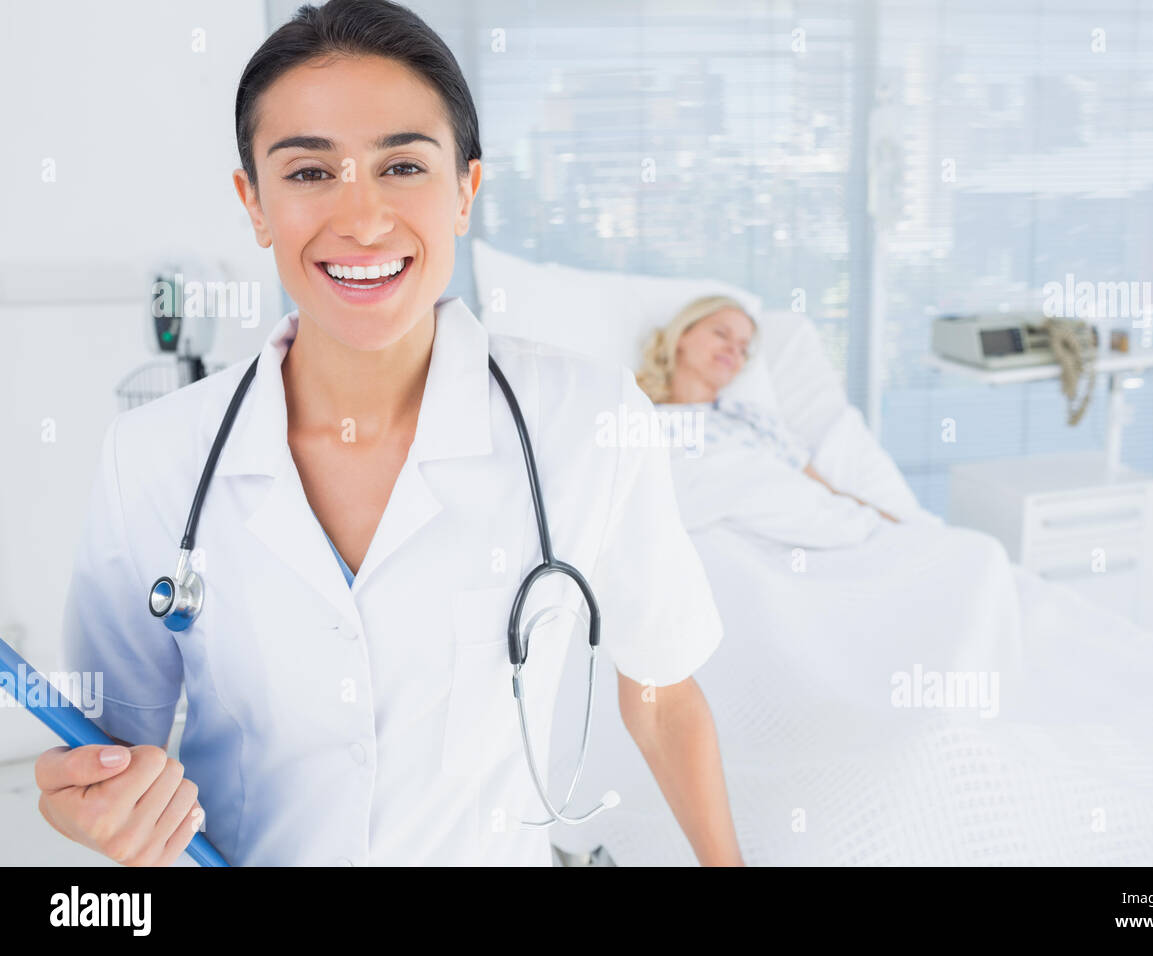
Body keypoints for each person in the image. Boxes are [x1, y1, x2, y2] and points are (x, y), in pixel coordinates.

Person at [35, 0, 742, 867]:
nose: (362, 218)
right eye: (308, 174)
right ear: (253, 204)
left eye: (402, 165)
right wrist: (86, 808)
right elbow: (104, 745)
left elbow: (662, 691)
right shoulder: (150, 458)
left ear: (465, 192)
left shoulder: (594, 422)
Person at [637, 295, 900, 522]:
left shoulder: (752, 417)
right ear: (682, 335)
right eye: (721, 334)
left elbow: (823, 493)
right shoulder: (639, 415)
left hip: (782, 523)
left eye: (743, 348)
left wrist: (891, 525)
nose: (732, 349)